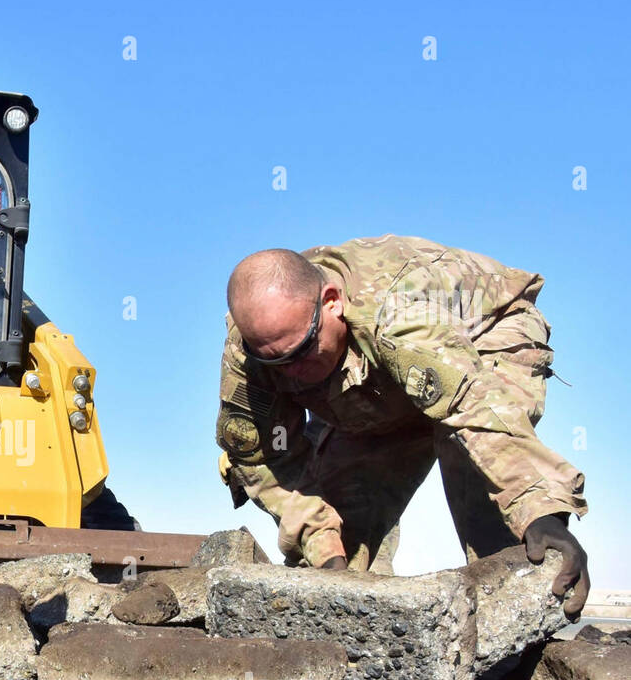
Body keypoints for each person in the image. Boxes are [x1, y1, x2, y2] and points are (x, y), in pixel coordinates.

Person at [216, 234, 590, 616]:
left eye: (302, 351)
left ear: (332, 302)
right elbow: (263, 458)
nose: (293, 373)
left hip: (484, 335)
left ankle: (507, 641)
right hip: (376, 379)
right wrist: (325, 552)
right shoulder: (252, 351)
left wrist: (540, 509)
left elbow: (473, 410)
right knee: (339, 541)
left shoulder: (397, 317)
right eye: (277, 363)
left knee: (481, 482)